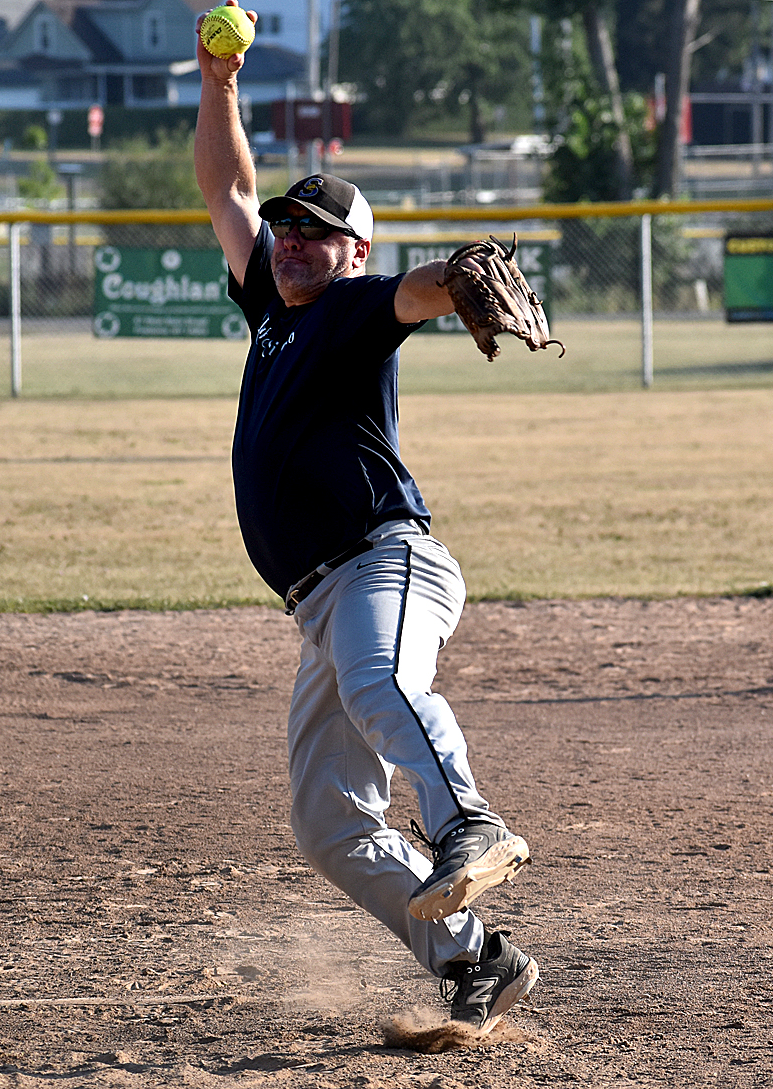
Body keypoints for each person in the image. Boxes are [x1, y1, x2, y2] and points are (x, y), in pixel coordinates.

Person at [194, 2, 538, 1035]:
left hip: (384, 566)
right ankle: (476, 958)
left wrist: (454, 278)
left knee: (385, 678)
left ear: (354, 253)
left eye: (319, 233)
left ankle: (469, 823)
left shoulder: (346, 310)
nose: (293, 242)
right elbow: (229, 188)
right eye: (290, 229)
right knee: (328, 824)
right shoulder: (274, 309)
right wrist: (219, 83)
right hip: (324, 601)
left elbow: (420, 293)